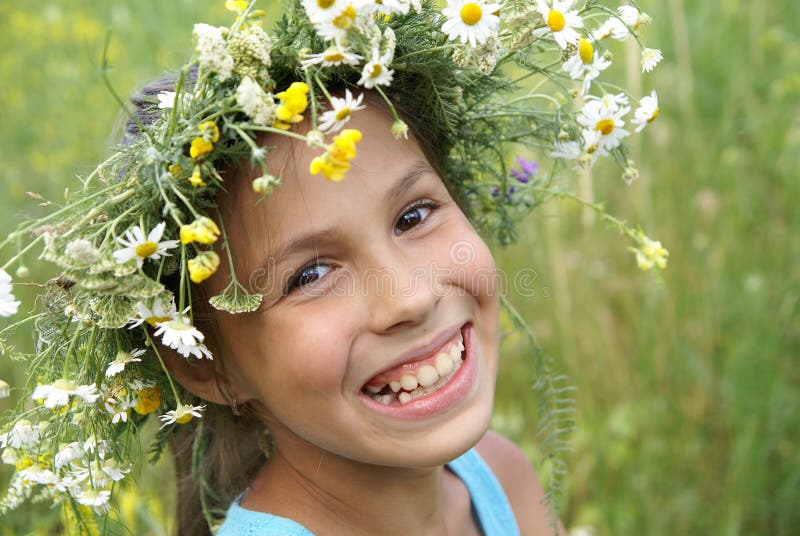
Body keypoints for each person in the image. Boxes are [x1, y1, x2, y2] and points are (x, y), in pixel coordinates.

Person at [0, 1, 663, 533]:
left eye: (414, 216)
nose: (408, 298)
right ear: (207, 366)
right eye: (310, 275)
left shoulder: (502, 480)